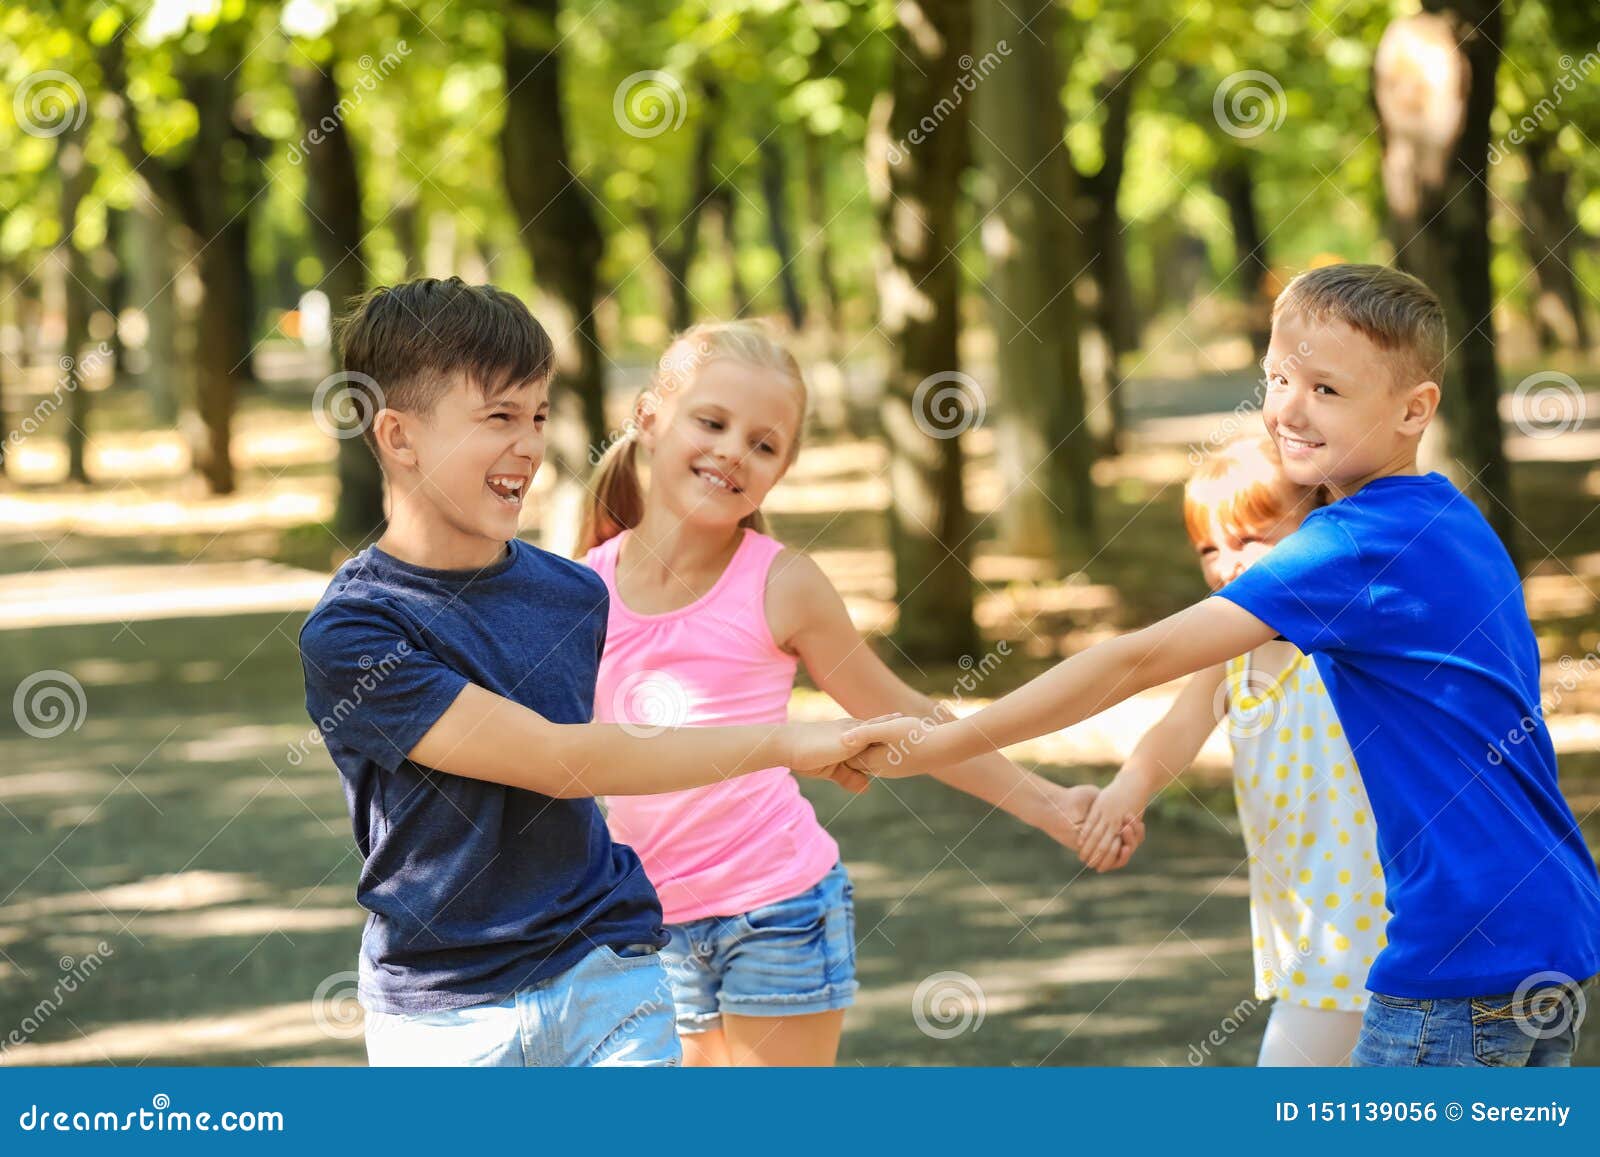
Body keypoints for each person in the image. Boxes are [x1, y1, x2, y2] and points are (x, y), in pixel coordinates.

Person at [848, 263, 1600, 1067]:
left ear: (1415, 409)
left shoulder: (1351, 545)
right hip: (1542, 922)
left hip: (1462, 949)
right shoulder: (1447, 513)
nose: (1287, 407)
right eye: (1277, 375)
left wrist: (939, 743)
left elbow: (1137, 659)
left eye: (1326, 389)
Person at [297, 279, 913, 1067]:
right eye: (498, 417)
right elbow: (567, 758)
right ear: (399, 436)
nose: (527, 443)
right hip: (447, 1011)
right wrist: (789, 742)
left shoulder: (573, 595)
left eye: (538, 415)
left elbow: (624, 749)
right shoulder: (355, 632)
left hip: (609, 973)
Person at [577, 320, 1141, 1066]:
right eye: (711, 421)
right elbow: (560, 759)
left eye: (763, 443)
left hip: (774, 908)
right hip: (645, 923)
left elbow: (904, 717)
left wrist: (1050, 806)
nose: (732, 452)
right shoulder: (582, 584)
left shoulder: (782, 585)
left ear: (781, 469)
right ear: (649, 418)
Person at [1084, 433, 1382, 1065]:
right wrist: (1126, 792)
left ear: (1320, 522)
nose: (1227, 566)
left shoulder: (1351, 628)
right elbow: (1177, 730)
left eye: (1251, 538)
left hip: (1371, 919)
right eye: (1208, 549)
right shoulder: (1232, 652)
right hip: (1303, 919)